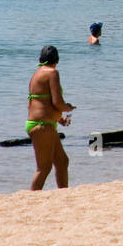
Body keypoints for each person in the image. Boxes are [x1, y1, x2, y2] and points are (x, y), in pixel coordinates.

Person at [27, 45, 75, 190]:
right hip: (42, 126)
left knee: (62, 161)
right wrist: (68, 108)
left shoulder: (37, 73)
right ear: (57, 60)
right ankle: (32, 199)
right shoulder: (52, 73)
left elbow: (42, 103)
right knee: (43, 168)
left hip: (42, 124)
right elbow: (57, 102)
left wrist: (60, 119)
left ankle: (63, 192)